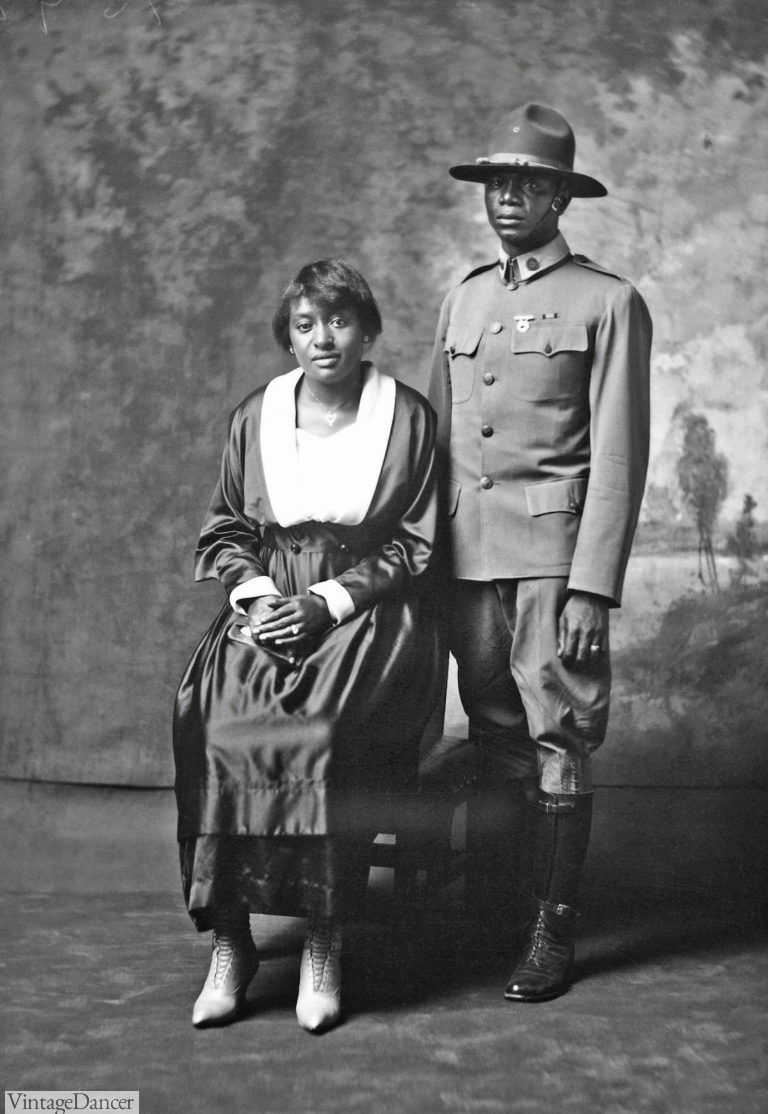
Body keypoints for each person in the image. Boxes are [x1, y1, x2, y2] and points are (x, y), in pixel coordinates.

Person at [174, 259, 439, 1033]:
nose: (323, 338)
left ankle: (324, 942)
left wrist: (326, 602)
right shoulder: (256, 415)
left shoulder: (407, 418)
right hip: (268, 601)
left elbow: (416, 546)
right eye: (305, 324)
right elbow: (227, 527)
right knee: (213, 719)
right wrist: (258, 600)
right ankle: (232, 942)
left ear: (368, 329)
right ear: (288, 338)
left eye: (339, 321)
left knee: (323, 733)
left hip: (367, 611)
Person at [428, 103, 651, 1001]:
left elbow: (621, 457)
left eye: (530, 183)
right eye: (498, 183)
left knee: (558, 734)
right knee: (493, 734)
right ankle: (494, 914)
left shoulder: (608, 301)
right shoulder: (465, 295)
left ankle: (551, 933)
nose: (508, 198)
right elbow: (438, 439)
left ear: (563, 196)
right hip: (465, 558)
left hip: (555, 562)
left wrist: (591, 587)